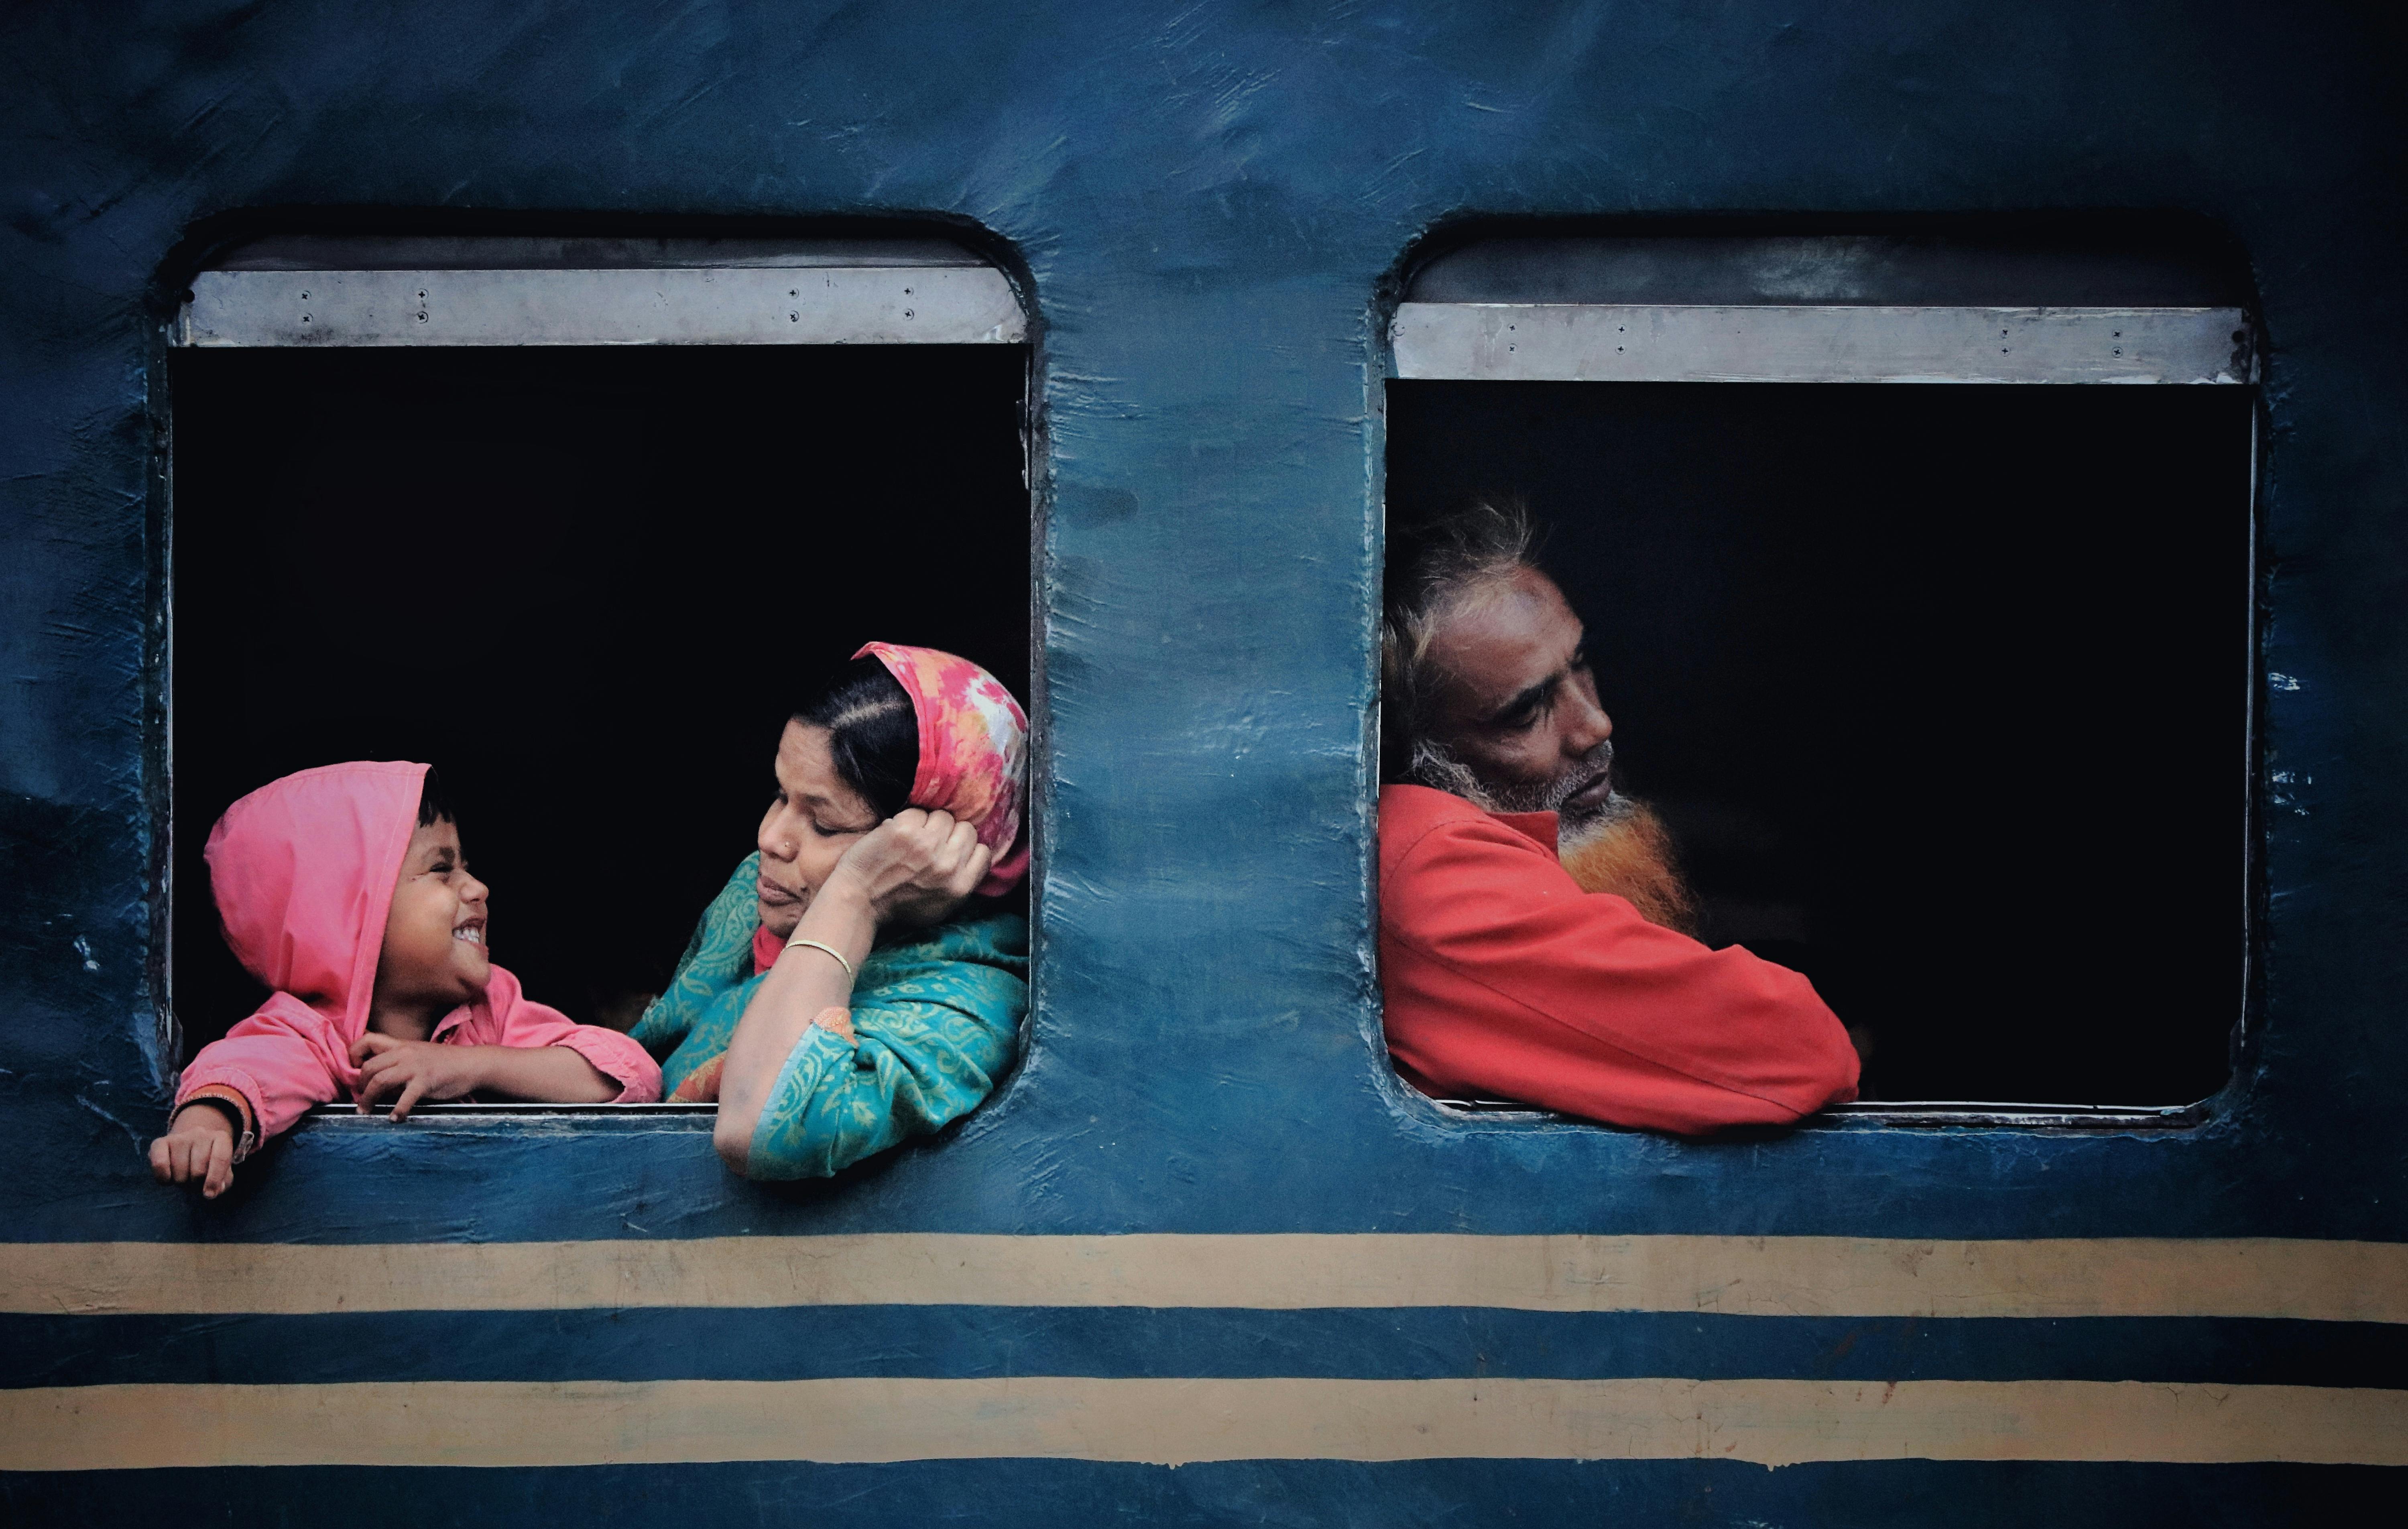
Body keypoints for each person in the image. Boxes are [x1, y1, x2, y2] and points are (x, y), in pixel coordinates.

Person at [1379, 502, 1859, 1134]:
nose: (1595, 725)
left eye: (1580, 664)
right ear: (1420, 752)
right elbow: (1799, 1050)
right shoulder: (1428, 863)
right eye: (1526, 713)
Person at [150, 762, 663, 1198]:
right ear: (350, 914)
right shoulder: (311, 1035)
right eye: (442, 870)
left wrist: (468, 1066)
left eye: (466, 865)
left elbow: (627, 1073)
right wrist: (206, 1127)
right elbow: (239, 1075)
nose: (478, 887)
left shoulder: (492, 1007)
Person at [634, 643, 1031, 1180]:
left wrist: (856, 896)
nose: (771, 838)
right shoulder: (764, 892)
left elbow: (757, 1126)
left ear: (937, 842)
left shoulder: (970, 1006)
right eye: (780, 796)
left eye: (824, 824)